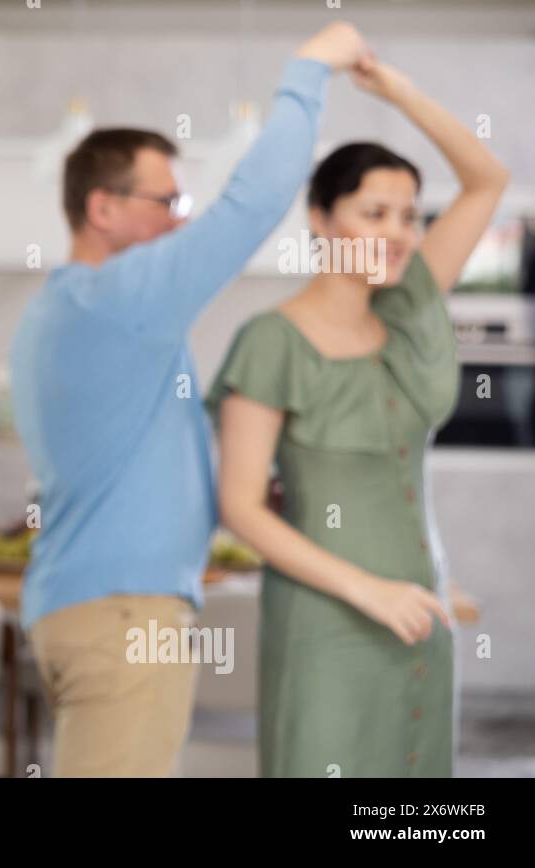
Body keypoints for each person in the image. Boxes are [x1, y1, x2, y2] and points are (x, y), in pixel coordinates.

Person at [10, 22, 367, 777]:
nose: (179, 219)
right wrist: (308, 71)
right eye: (165, 200)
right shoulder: (117, 298)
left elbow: (136, 437)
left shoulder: (65, 309)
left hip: (84, 607)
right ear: (102, 208)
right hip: (127, 618)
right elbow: (250, 205)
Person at [205, 57, 508, 777]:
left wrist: (400, 92)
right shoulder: (272, 342)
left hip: (421, 616)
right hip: (329, 624)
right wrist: (368, 590)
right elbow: (240, 508)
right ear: (320, 219)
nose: (398, 232)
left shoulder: (406, 309)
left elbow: (487, 180)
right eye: (374, 214)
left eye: (409, 215)